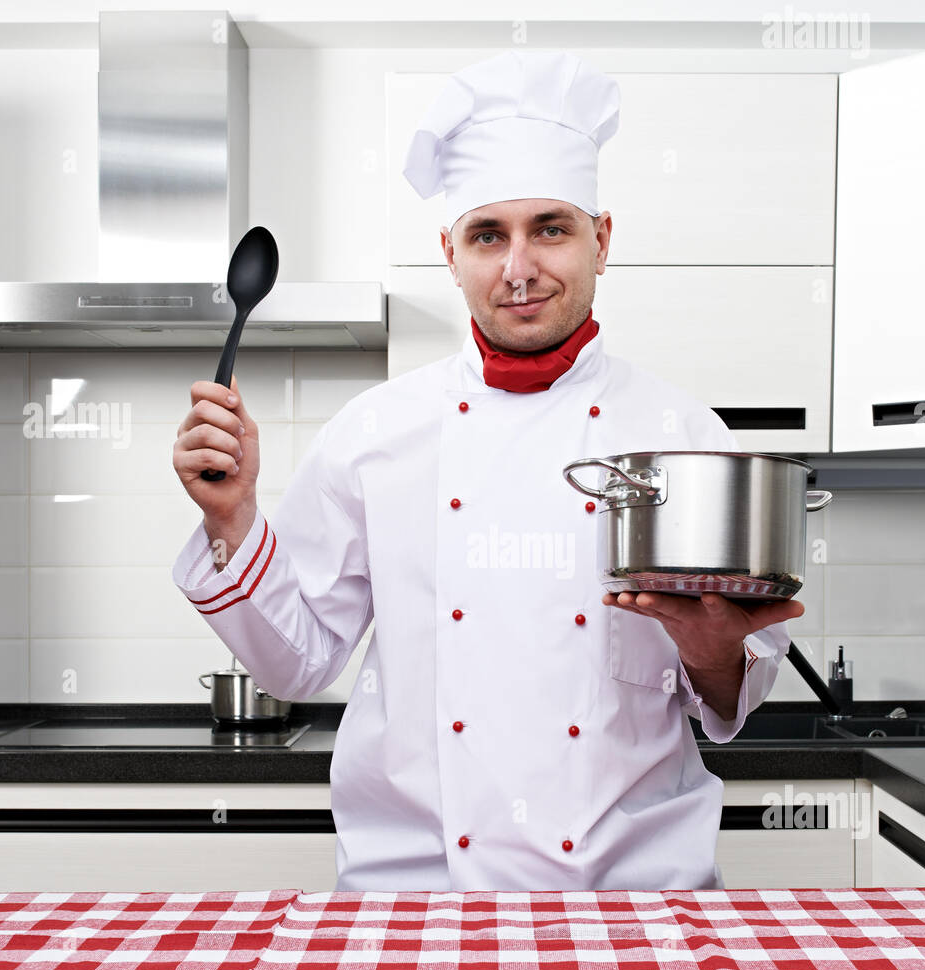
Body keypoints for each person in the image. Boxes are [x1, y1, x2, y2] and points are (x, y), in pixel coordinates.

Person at [170, 50, 804, 892]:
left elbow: (729, 695)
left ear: (602, 240)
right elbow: (299, 667)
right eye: (487, 235)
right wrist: (233, 522)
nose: (519, 267)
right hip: (417, 898)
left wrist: (714, 655)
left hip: (636, 901)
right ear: (450, 250)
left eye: (551, 227)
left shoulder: (684, 435)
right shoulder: (374, 433)